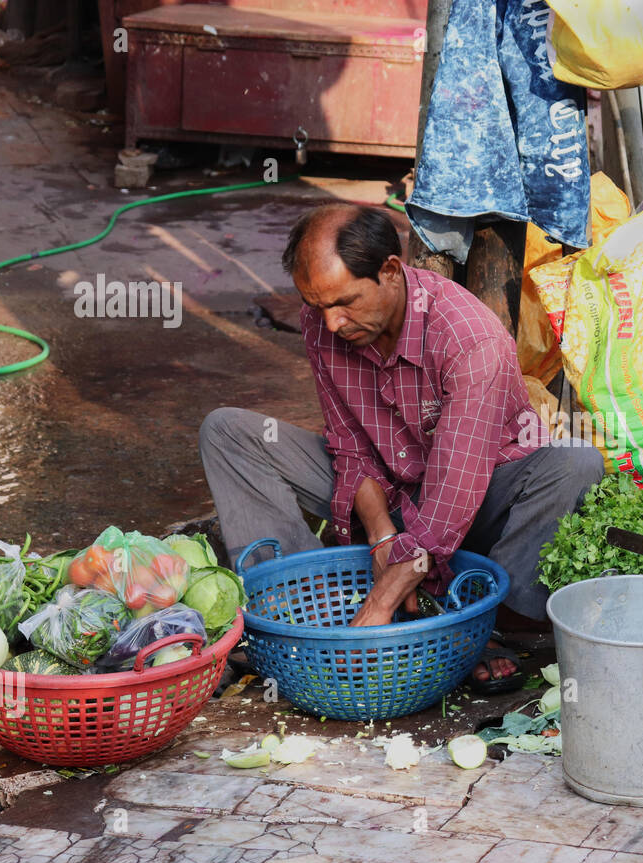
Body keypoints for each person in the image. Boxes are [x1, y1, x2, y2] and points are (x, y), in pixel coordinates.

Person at [199, 203, 604, 692]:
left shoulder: (468, 338)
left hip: (479, 500)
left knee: (575, 462)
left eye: (344, 302)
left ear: (391, 271)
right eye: (318, 306)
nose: (330, 324)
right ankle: (294, 608)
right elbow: (349, 447)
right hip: (389, 488)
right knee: (226, 432)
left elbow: (454, 490)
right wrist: (382, 535)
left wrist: (382, 602)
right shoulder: (323, 321)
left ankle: (482, 621)